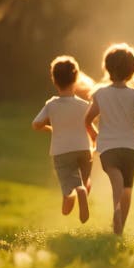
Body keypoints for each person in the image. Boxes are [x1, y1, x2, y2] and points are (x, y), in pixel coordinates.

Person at [84, 43, 134, 235]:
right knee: (127, 187)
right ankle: (120, 228)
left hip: (108, 147)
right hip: (131, 147)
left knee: (114, 175)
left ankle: (116, 209)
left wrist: (94, 135)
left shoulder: (100, 94)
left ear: (107, 68)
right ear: (132, 70)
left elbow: (87, 119)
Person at [32, 56, 93, 223]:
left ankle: (73, 193)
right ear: (76, 80)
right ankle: (82, 189)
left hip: (62, 151)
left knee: (68, 184)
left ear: (54, 80)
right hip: (84, 149)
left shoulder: (51, 104)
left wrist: (51, 128)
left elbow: (36, 124)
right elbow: (91, 127)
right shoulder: (84, 105)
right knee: (84, 179)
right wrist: (94, 142)